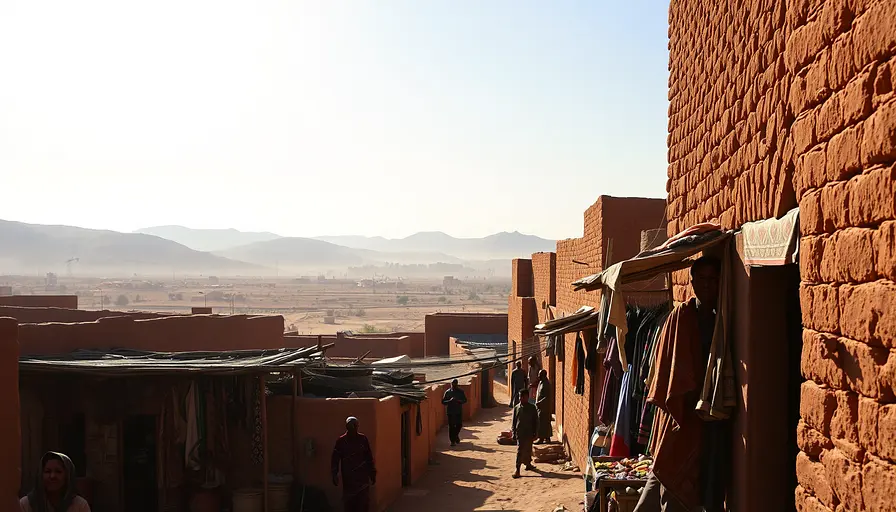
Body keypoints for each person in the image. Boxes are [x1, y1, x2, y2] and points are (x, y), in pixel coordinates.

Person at [634, 256, 729, 512]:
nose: (708, 285)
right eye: (702, 279)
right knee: (670, 472)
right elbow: (671, 374)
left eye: (713, 279)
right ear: (692, 282)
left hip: (712, 418)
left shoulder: (722, 317)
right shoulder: (681, 318)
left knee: (704, 484)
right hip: (682, 416)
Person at [332, 417, 377, 512]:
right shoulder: (341, 441)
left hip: (362, 479)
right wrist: (334, 474)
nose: (354, 428)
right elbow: (335, 459)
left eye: (356, 426)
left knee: (363, 504)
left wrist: (372, 473)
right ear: (347, 427)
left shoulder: (363, 439)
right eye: (352, 426)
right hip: (349, 480)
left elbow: (369, 457)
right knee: (350, 506)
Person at [20, 452, 91, 512]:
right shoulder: (26, 504)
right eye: (48, 471)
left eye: (58, 472)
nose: (52, 476)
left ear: (67, 476)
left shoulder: (80, 505)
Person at [512, 389, 538, 478]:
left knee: (528, 449)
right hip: (520, 433)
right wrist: (513, 433)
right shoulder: (517, 408)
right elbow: (514, 421)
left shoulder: (532, 408)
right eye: (520, 397)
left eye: (522, 397)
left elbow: (536, 421)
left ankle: (528, 464)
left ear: (527, 397)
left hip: (529, 432)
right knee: (520, 451)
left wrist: (536, 433)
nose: (520, 399)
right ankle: (517, 469)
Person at [442, 379, 467, 446]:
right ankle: (452, 441)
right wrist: (450, 401)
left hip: (458, 411)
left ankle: (455, 436)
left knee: (459, 425)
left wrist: (458, 401)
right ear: (451, 384)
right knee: (451, 426)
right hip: (450, 412)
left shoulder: (460, 392)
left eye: (455, 384)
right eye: (453, 383)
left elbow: (465, 400)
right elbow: (443, 402)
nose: (454, 385)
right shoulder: (447, 392)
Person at [534, 369, 552, 444]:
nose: (538, 376)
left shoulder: (546, 384)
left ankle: (541, 438)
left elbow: (547, 396)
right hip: (540, 407)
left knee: (542, 422)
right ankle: (547, 438)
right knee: (544, 422)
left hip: (544, 407)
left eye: (540, 375)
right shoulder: (541, 382)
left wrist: (540, 402)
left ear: (543, 375)